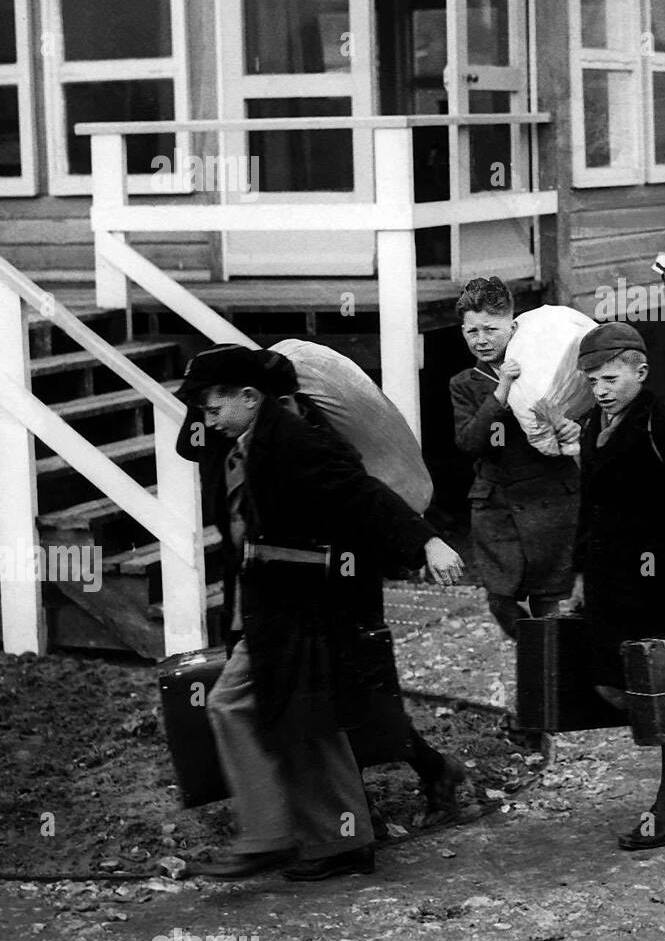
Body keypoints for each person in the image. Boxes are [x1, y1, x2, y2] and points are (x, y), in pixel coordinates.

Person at [176, 345, 464, 882]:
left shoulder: (296, 443)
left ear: (249, 397)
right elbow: (191, 446)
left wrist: (427, 542)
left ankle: (268, 834)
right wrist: (207, 386)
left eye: (214, 407)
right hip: (267, 602)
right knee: (310, 720)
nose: (204, 419)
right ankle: (343, 840)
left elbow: (364, 495)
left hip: (306, 605)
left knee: (231, 706)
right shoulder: (240, 442)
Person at [565, 322, 665, 851]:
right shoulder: (590, 427)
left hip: (663, 582)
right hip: (610, 581)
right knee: (611, 685)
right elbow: (589, 507)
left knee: (663, 691)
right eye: (592, 380)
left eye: (610, 378)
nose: (600, 389)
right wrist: (581, 574)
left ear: (641, 372)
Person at [449, 277, 580, 639]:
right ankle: (536, 651)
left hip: (550, 497)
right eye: (471, 331)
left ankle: (551, 673)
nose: (481, 339)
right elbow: (470, 442)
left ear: (513, 326)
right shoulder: (465, 383)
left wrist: (572, 431)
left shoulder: (544, 367)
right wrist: (502, 392)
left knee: (548, 601)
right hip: (497, 504)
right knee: (499, 599)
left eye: (491, 329)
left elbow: (583, 407)